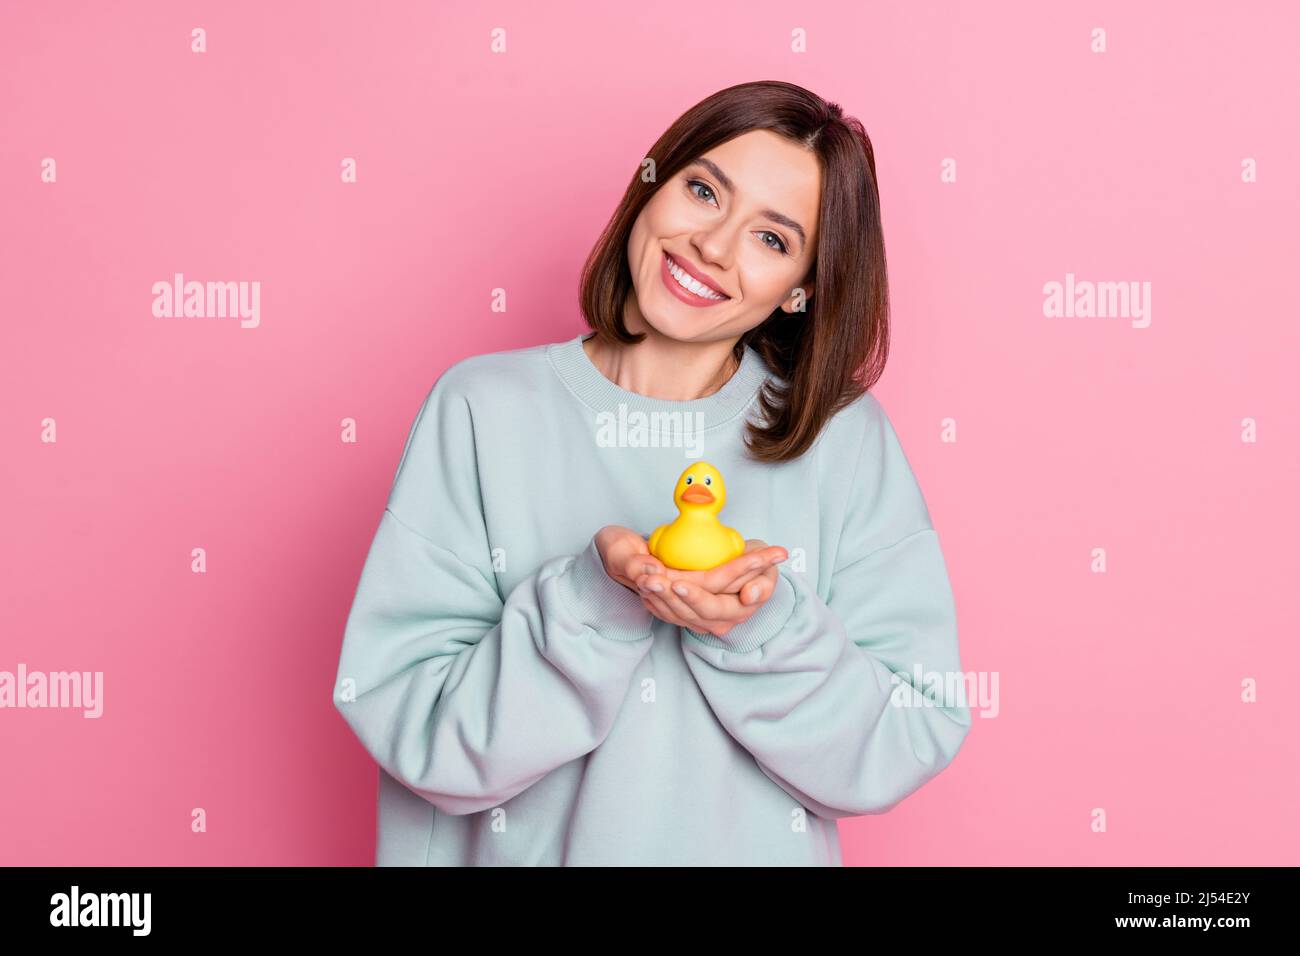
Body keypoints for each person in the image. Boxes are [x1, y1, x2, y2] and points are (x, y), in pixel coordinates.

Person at [332, 80, 972, 866]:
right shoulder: (481, 409)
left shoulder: (842, 442)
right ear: (652, 184)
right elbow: (412, 726)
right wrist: (595, 597)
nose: (712, 245)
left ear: (801, 289)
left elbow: (911, 731)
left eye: (771, 239)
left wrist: (757, 628)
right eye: (704, 190)